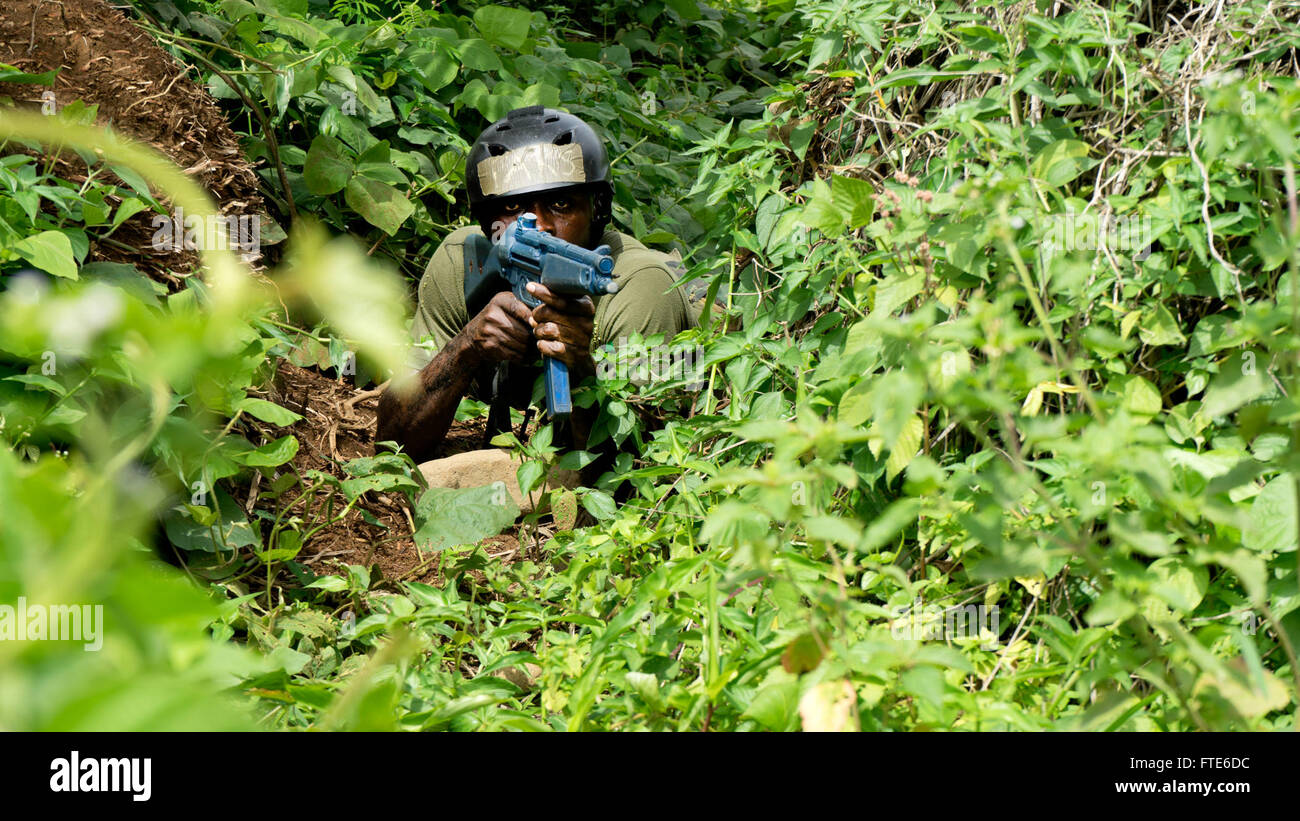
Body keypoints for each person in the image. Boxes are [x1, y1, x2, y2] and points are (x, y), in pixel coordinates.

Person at [377, 106, 702, 491]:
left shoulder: (635, 286)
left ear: (597, 211)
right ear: (488, 221)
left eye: (561, 205)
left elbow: (632, 470)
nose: (540, 226)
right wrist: (466, 347)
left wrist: (581, 362)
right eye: (514, 208)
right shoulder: (462, 265)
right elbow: (394, 439)